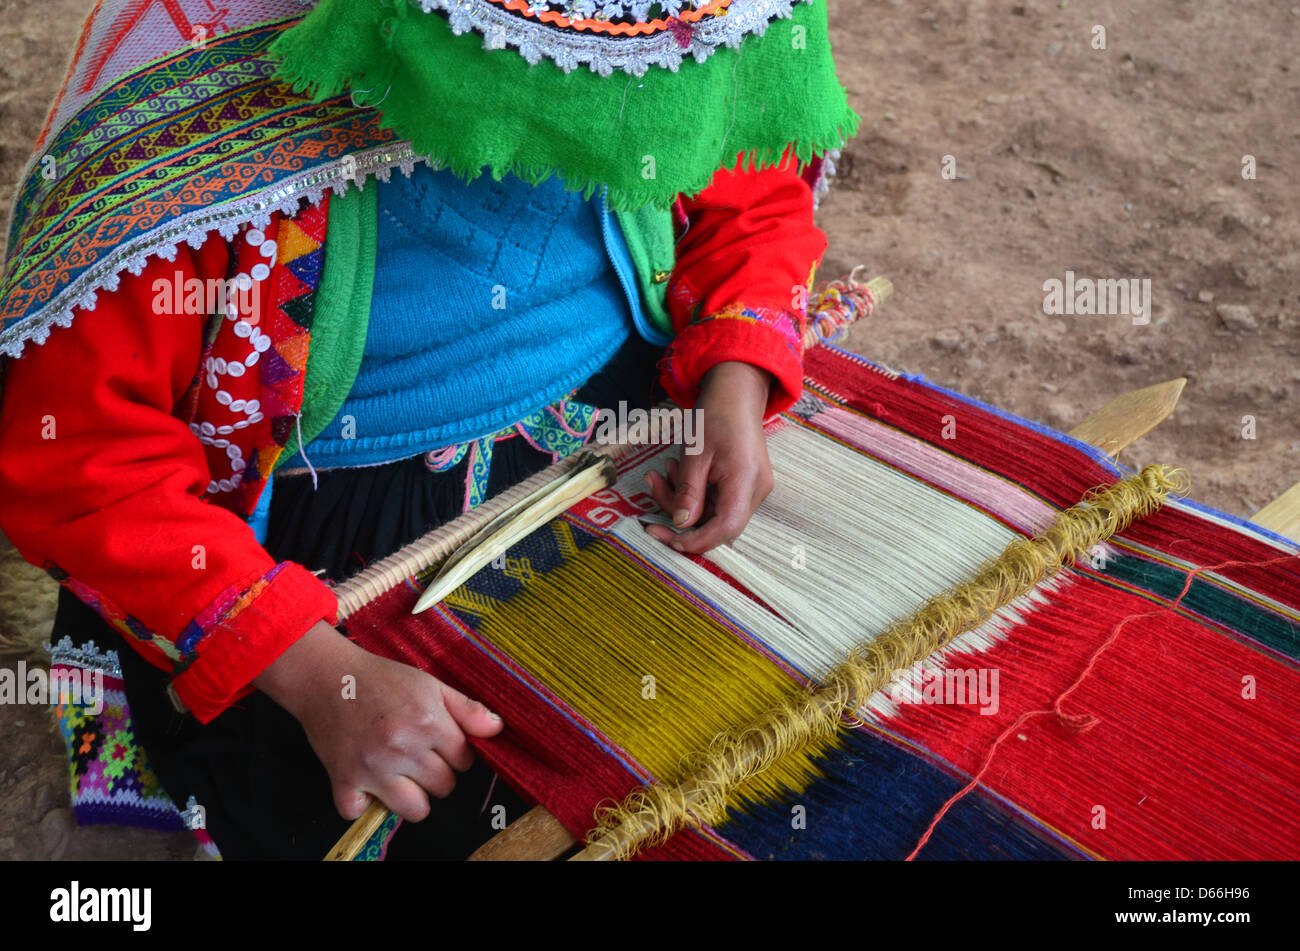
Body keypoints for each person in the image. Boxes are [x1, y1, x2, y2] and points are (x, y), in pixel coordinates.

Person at [0, 0, 857, 858]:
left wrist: (737, 379)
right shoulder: (206, 59)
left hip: (625, 442)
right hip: (324, 548)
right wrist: (320, 677)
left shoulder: (686, 20)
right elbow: (77, 451)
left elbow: (748, 178)